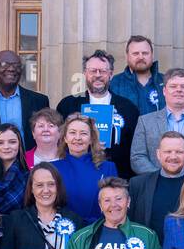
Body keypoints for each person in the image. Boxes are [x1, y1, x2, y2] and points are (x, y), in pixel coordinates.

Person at [56, 49, 140, 180]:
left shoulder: (128, 108)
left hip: (116, 177)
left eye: (103, 71)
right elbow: (59, 142)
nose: (98, 75)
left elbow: (134, 147)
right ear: (85, 73)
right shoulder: (68, 105)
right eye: (93, 71)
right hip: (75, 176)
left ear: (111, 75)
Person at [131, 67, 184, 173]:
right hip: (157, 185)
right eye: (173, 86)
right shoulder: (145, 122)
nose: (179, 89)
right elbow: (137, 157)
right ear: (164, 91)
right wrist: (160, 177)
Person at [52, 113, 119, 222]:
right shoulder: (53, 169)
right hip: (64, 230)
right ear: (65, 138)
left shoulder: (107, 168)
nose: (77, 138)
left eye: (83, 133)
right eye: (72, 133)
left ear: (91, 139)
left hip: (98, 229)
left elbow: (114, 204)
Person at [0, 49, 50, 150]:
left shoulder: (39, 101)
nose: (11, 69)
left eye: (16, 65)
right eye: (4, 64)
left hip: (28, 163)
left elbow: (46, 135)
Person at [108, 35, 166, 117]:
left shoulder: (166, 82)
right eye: (135, 53)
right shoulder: (115, 83)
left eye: (145, 53)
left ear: (152, 55)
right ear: (127, 56)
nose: (141, 57)